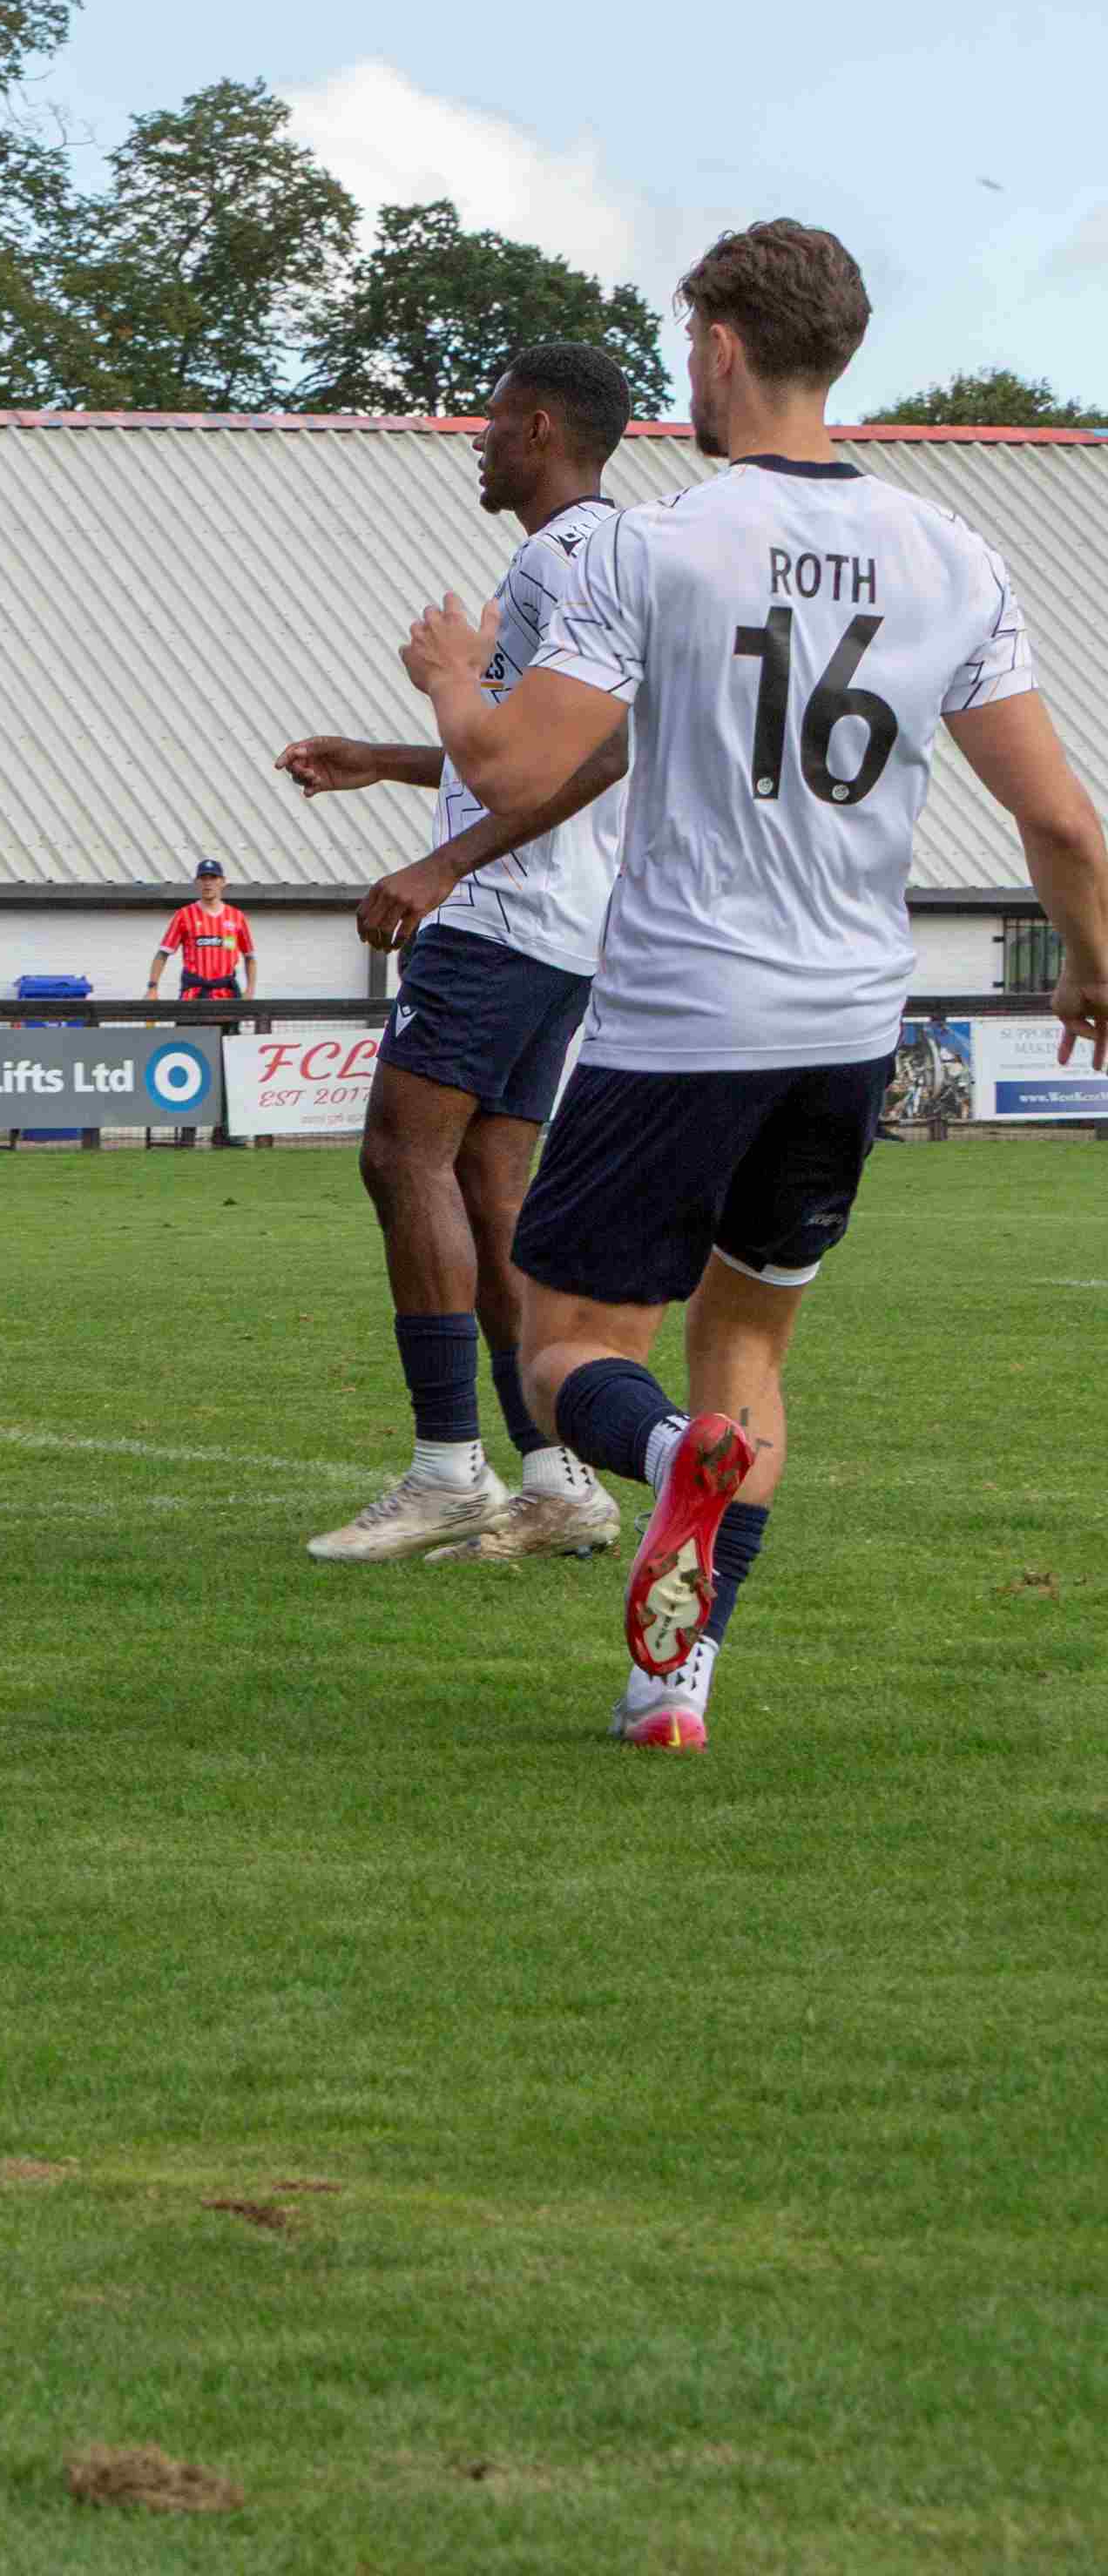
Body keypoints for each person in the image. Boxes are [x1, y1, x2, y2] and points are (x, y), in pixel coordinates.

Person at [410, 219, 1107, 1749]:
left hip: (681, 1018)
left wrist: (453, 671)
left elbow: (518, 760)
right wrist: (1099, 968)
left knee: (570, 1344)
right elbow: (1059, 817)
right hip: (851, 1024)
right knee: (752, 1351)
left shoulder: (656, 544)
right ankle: (676, 1683)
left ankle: (660, 1461)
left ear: (720, 348)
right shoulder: (958, 556)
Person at [275, 341, 641, 1563]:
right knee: (490, 1192)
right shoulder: (620, 555)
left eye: (491, 422)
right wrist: (386, 759)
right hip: (567, 925)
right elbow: (558, 751)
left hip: (501, 917)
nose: (476, 440)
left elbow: (585, 759)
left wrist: (444, 864)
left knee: (399, 1157)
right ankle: (557, 1475)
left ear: (538, 430)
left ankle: (447, 1471)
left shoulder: (554, 559)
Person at [145, 860, 256, 1006]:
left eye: (213, 878)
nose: (208, 883)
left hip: (227, 998)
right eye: (204, 878)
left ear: (223, 882)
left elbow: (250, 957)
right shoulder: (184, 915)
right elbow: (162, 954)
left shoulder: (236, 917)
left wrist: (249, 991)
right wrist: (152, 988)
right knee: (191, 1030)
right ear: (197, 882)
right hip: (193, 997)